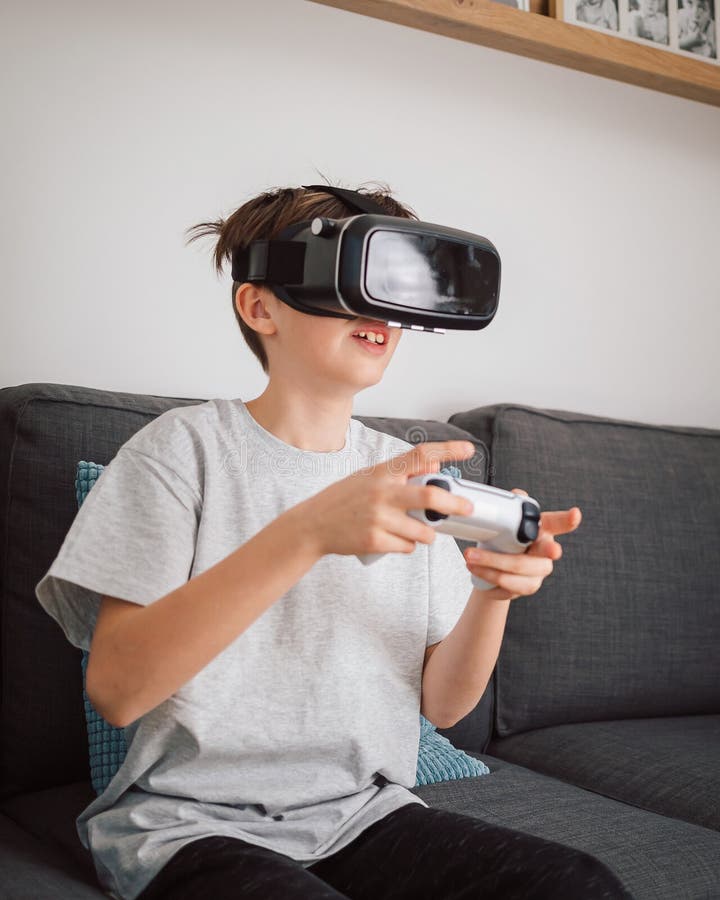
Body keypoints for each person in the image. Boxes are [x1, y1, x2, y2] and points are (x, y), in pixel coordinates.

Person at [35, 182, 633, 900]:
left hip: (364, 814)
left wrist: (491, 591)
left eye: (396, 288)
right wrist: (309, 533)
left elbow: (442, 707)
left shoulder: (412, 473)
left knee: (577, 885)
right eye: (360, 280)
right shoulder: (178, 453)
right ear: (260, 306)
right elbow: (120, 690)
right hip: (188, 826)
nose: (380, 311)